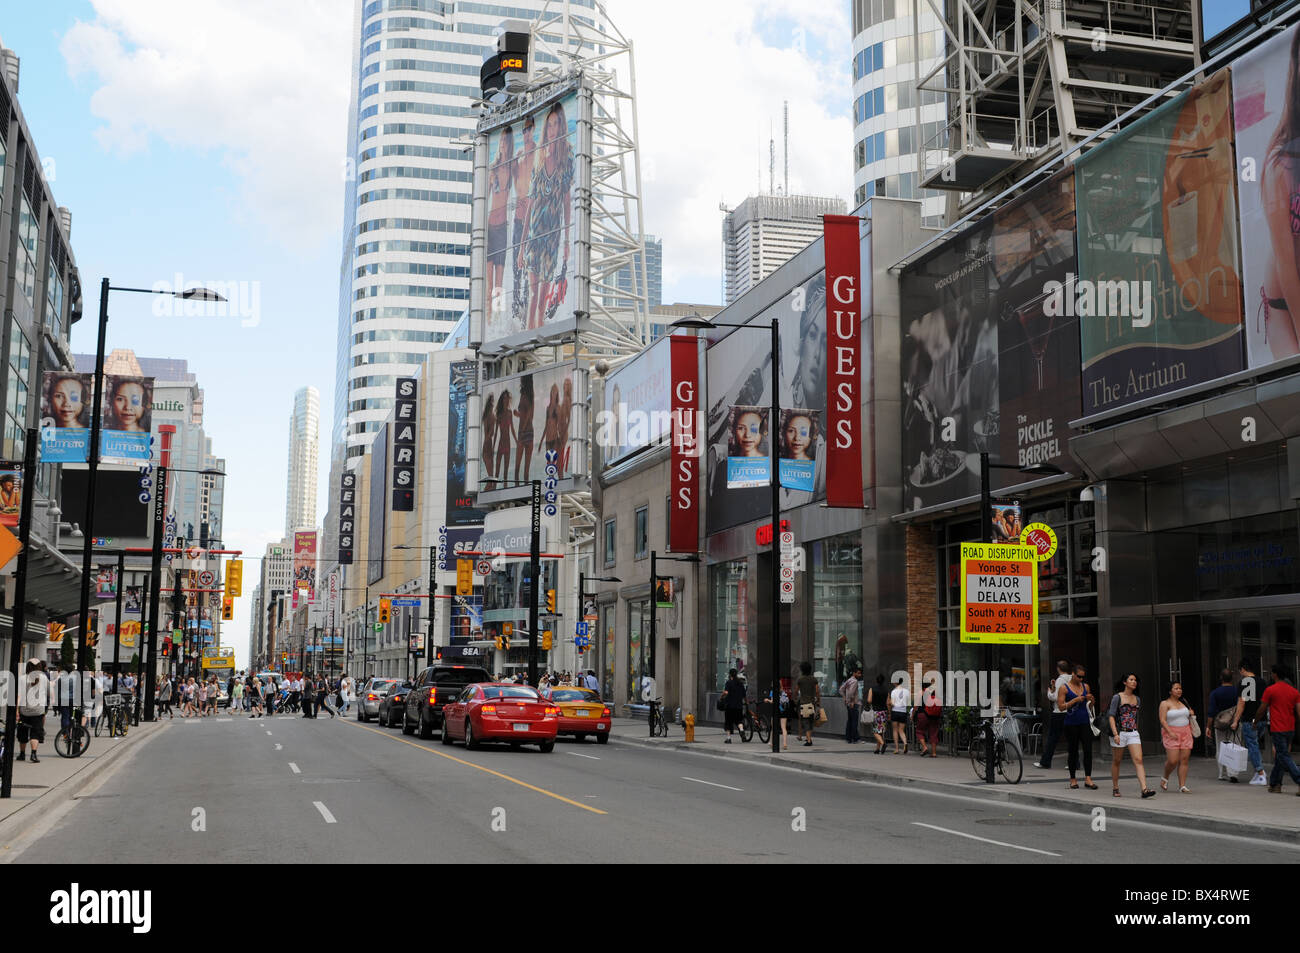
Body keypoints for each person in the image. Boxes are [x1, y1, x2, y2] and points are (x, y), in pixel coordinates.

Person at [520, 101, 573, 330]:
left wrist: (568, 241)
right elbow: (530, 204)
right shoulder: (539, 158)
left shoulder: (567, 157)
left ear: (560, 128)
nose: (552, 130)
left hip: (553, 235)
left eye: (555, 125)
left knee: (542, 299)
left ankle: (538, 337)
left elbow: (567, 200)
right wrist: (522, 246)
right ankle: (528, 335)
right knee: (533, 295)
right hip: (534, 233)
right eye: (549, 126)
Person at [1107, 673, 1155, 798]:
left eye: (1135, 680)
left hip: (1133, 732)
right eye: (1131, 680)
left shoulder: (1137, 699)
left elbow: (1136, 716)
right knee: (1117, 760)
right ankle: (1115, 787)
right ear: (1125, 682)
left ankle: (1144, 789)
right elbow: (1111, 716)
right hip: (1119, 731)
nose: (1134, 682)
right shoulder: (1117, 697)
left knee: (1139, 760)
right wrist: (1115, 734)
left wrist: (1136, 729)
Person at [1256, 664, 1300, 794]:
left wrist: (1255, 721)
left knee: (1284, 756)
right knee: (1281, 756)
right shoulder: (1294, 691)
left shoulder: (1270, 690)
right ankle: (1275, 784)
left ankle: (1298, 778)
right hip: (1290, 727)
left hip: (1277, 727)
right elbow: (1298, 711)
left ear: (1275, 674)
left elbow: (1262, 708)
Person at [486, 124, 515, 319]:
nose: (503, 143)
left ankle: (496, 317)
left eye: (506, 140)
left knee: (499, 283)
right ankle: (488, 317)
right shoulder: (493, 169)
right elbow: (485, 197)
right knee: (489, 282)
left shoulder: (512, 167)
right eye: (501, 140)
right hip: (490, 226)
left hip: (503, 228)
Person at [1231, 659, 1269, 786]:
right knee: (1255, 745)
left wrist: (1235, 720)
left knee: (1252, 746)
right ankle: (1258, 771)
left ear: (1243, 669)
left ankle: (1260, 773)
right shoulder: (1263, 682)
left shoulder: (1244, 682)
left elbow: (1242, 703)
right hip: (1262, 719)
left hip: (1249, 719)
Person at [1060, 664, 1097, 790]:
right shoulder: (1064, 688)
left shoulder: (1085, 686)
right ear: (1073, 674)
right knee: (1073, 751)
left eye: (1083, 677)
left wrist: (1092, 700)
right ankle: (1073, 779)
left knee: (1088, 750)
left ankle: (1088, 778)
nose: (1081, 679)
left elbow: (1090, 706)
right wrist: (1075, 700)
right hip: (1071, 723)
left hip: (1085, 722)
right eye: (1079, 676)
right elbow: (1061, 707)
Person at [1034, 658, 1071, 770]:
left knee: (1052, 738)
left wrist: (1050, 691)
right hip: (1070, 710)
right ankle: (1074, 762)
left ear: (1058, 669)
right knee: (1071, 738)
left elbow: (1055, 697)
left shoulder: (1060, 680)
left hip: (1059, 712)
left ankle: (1045, 762)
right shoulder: (1071, 678)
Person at [1159, 682, 1196, 793]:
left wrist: (1191, 713)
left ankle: (1182, 786)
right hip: (1172, 732)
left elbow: (1190, 716)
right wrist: (1169, 732)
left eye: (1180, 688)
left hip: (1186, 732)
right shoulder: (1165, 704)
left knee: (1184, 760)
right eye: (1176, 688)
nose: (1179, 690)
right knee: (1173, 760)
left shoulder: (1184, 702)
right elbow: (1162, 720)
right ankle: (1165, 777)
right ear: (1170, 691)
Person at [1208, 669, 1240, 783]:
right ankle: (1234, 772)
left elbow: (1211, 711)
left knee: (1221, 746)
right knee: (1234, 745)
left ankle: (1222, 773)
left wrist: (1208, 726)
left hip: (1220, 723)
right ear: (1232, 678)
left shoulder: (1215, 693)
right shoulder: (1237, 691)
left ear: (1221, 678)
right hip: (1234, 722)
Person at [16, 659, 47, 763]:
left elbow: (19, 696)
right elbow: (48, 693)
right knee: (35, 732)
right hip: (38, 711)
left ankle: (22, 754)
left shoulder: (22, 679)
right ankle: (33, 754)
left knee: (23, 732)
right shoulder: (43, 678)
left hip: (24, 710)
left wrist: (16, 710)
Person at [514, 374, 535, 482]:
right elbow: (527, 414)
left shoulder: (526, 396)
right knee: (524, 470)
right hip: (528, 431)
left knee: (517, 469)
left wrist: (522, 431)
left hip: (523, 431)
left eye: (521, 379)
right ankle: (524, 491)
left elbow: (528, 415)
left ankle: (517, 491)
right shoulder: (529, 395)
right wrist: (518, 414)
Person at [795, 661, 820, 747]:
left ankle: (809, 740)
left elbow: (796, 690)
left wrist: (795, 698)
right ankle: (808, 737)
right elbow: (817, 691)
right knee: (810, 720)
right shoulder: (814, 679)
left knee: (805, 721)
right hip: (812, 702)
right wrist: (818, 701)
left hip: (803, 703)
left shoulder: (800, 679)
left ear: (802, 670)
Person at [916, 679, 942, 757]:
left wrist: (912, 714)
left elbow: (916, 706)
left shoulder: (921, 693)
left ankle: (924, 747)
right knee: (933, 733)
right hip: (935, 716)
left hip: (923, 715)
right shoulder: (935, 692)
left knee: (919, 731)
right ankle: (934, 753)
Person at [493, 389, 515, 482]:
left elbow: (512, 428)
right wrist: (493, 447)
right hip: (501, 444)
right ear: (502, 400)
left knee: (506, 471)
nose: (505, 400)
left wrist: (517, 441)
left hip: (508, 444)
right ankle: (494, 491)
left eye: (507, 398)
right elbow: (496, 432)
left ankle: (505, 489)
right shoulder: (499, 414)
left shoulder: (510, 413)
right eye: (504, 398)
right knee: (497, 471)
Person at [721, 668, 745, 743]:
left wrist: (722, 696)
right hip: (739, 706)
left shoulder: (729, 682)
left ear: (730, 674)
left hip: (730, 706)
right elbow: (744, 695)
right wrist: (746, 702)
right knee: (739, 720)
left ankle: (728, 738)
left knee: (728, 722)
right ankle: (741, 730)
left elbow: (726, 692)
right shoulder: (740, 683)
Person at [889, 676, 911, 754]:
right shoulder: (907, 691)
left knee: (895, 730)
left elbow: (892, 703)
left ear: (895, 682)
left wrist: (890, 704)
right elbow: (908, 702)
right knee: (901, 730)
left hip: (895, 711)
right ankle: (905, 743)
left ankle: (897, 749)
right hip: (903, 712)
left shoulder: (893, 691)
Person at [840, 665, 861, 745]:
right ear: (854, 673)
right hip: (853, 703)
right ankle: (854, 738)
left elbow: (841, 689)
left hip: (848, 703)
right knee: (854, 721)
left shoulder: (849, 680)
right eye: (858, 673)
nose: (860, 675)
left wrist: (845, 698)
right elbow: (852, 693)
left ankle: (848, 738)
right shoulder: (855, 681)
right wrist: (851, 701)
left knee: (850, 720)